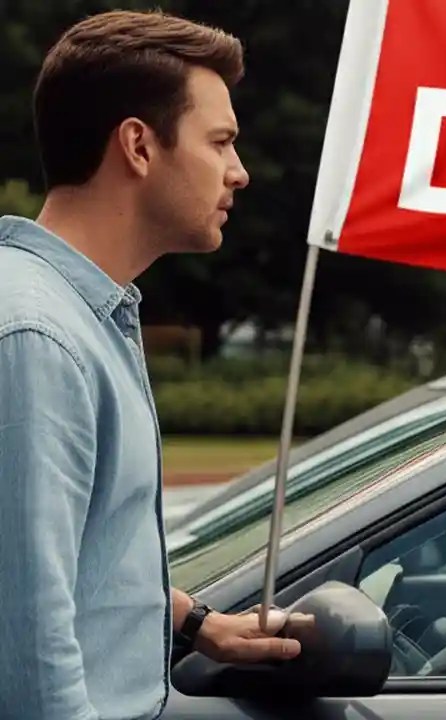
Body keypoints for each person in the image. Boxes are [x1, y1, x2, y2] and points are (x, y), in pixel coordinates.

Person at [0, 10, 306, 719]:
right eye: (220, 141)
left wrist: (192, 622)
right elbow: (29, 647)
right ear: (138, 145)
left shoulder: (74, 316)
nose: (239, 172)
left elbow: (69, 561)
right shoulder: (37, 339)